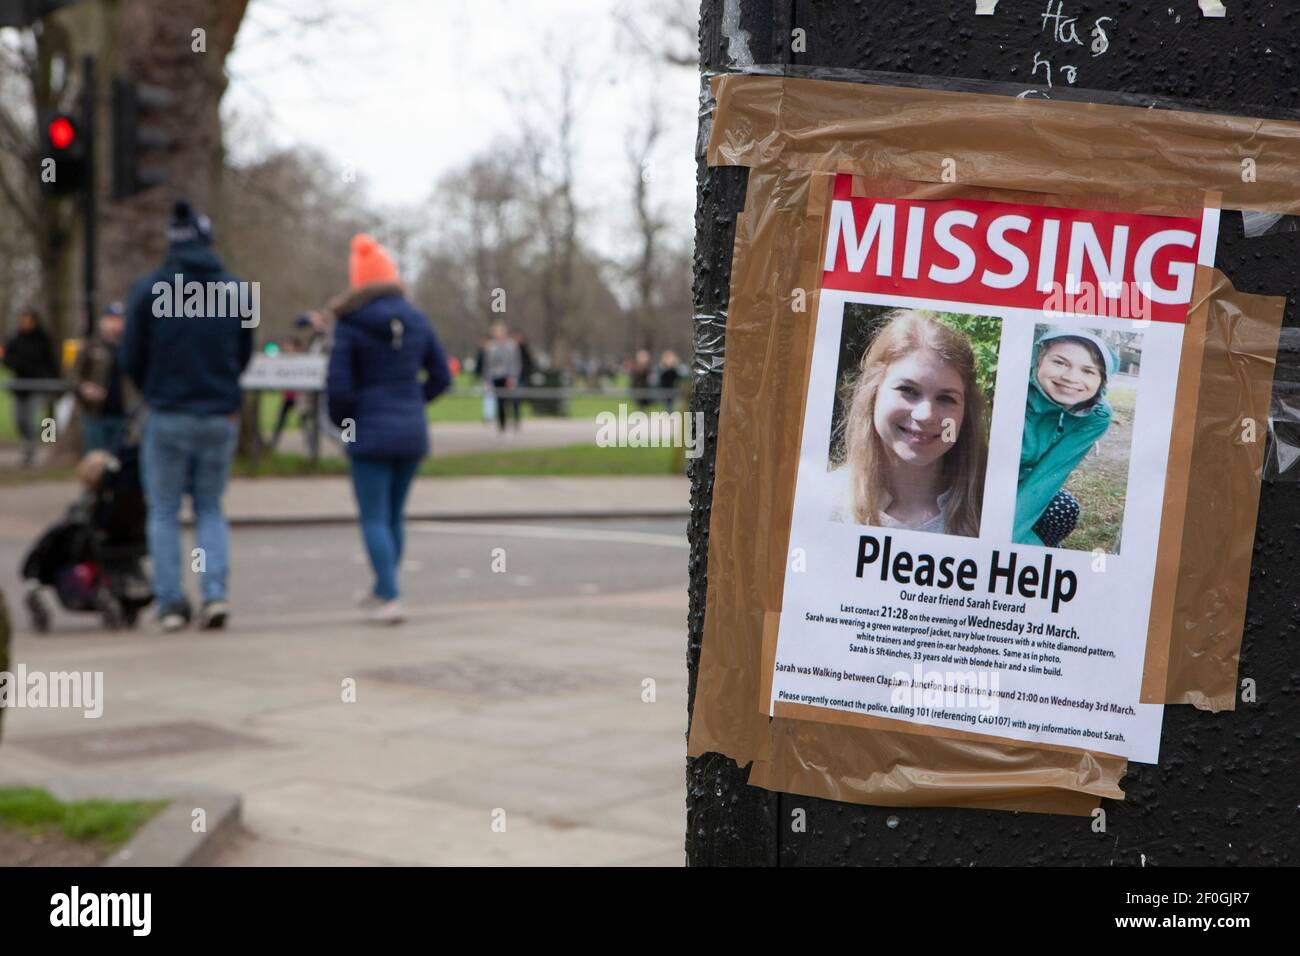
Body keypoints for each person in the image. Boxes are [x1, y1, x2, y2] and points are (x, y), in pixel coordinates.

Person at [123, 200, 253, 632]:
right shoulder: (236, 290)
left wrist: (155, 390)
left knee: (162, 510)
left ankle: (171, 602)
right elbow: (244, 353)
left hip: (169, 411)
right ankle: (214, 594)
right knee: (210, 508)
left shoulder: (150, 289)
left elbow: (131, 356)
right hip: (219, 413)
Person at [325, 233, 451, 624]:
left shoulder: (351, 323)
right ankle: (384, 588)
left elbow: (339, 387)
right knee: (394, 515)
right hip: (410, 430)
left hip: (370, 429)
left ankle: (392, 595)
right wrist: (414, 400)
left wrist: (348, 420)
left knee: (374, 516)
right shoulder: (417, 319)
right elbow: (442, 376)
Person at [828, 310, 987, 537]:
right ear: (874, 392)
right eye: (908, 390)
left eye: (946, 398)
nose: (926, 415)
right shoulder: (824, 502)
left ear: (966, 414)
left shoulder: (993, 513)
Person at [1013, 329, 1116, 547]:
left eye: (1088, 371)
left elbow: (1047, 477)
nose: (1071, 378)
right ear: (1039, 359)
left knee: (1064, 508)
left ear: (1101, 380)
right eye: (1060, 362)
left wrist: (1005, 540)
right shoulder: (1009, 388)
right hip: (976, 482)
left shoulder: (1095, 417)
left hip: (1022, 484)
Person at [74, 301, 134, 454]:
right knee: (95, 461)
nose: (116, 324)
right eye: (112, 319)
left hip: (125, 416)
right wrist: (84, 388)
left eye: (121, 319)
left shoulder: (132, 347)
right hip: (96, 414)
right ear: (103, 321)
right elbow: (73, 376)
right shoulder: (91, 346)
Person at [3, 309, 59, 467]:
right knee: (19, 419)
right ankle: (26, 446)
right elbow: (7, 358)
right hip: (20, 386)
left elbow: (50, 360)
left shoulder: (42, 338)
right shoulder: (15, 338)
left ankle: (33, 451)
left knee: (33, 420)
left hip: (38, 385)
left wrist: (53, 380)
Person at [482, 321, 521, 432]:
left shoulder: (511, 346)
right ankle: (502, 424)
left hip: (508, 377)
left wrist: (513, 377)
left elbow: (515, 362)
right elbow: (487, 365)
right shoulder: (491, 347)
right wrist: (487, 380)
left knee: (512, 400)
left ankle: (515, 420)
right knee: (500, 401)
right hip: (496, 376)